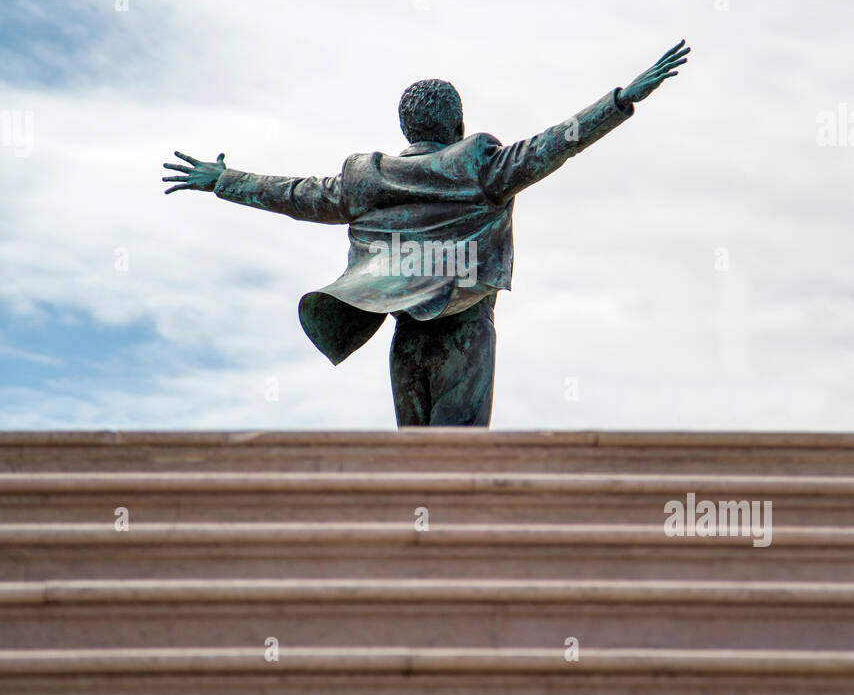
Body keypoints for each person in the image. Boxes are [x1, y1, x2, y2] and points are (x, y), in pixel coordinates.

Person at [163, 39, 689, 425]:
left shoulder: (365, 178)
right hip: (465, 332)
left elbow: (296, 194)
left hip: (406, 339)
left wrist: (225, 181)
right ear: (457, 126)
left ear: (407, 130)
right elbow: (555, 144)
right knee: (455, 468)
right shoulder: (480, 164)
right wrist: (621, 99)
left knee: (415, 467)